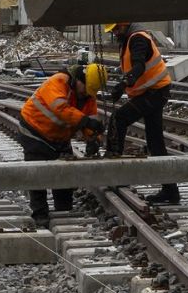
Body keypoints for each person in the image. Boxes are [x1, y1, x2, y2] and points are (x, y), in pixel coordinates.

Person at [17, 59, 107, 228]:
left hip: (59, 136)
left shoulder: (88, 95)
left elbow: (90, 119)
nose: (86, 94)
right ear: (78, 80)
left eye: (90, 92)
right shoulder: (58, 81)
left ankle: (63, 210)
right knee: (38, 173)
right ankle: (40, 215)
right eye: (85, 90)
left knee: (64, 173)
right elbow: (61, 110)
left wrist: (93, 138)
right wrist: (86, 122)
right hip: (34, 130)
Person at [103, 21, 179, 205]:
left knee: (118, 119)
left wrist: (123, 83)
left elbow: (138, 67)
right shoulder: (130, 38)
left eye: (115, 29)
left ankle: (115, 173)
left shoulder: (137, 39)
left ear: (124, 24)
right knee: (155, 142)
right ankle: (170, 191)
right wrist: (125, 84)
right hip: (153, 92)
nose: (114, 33)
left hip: (154, 93)